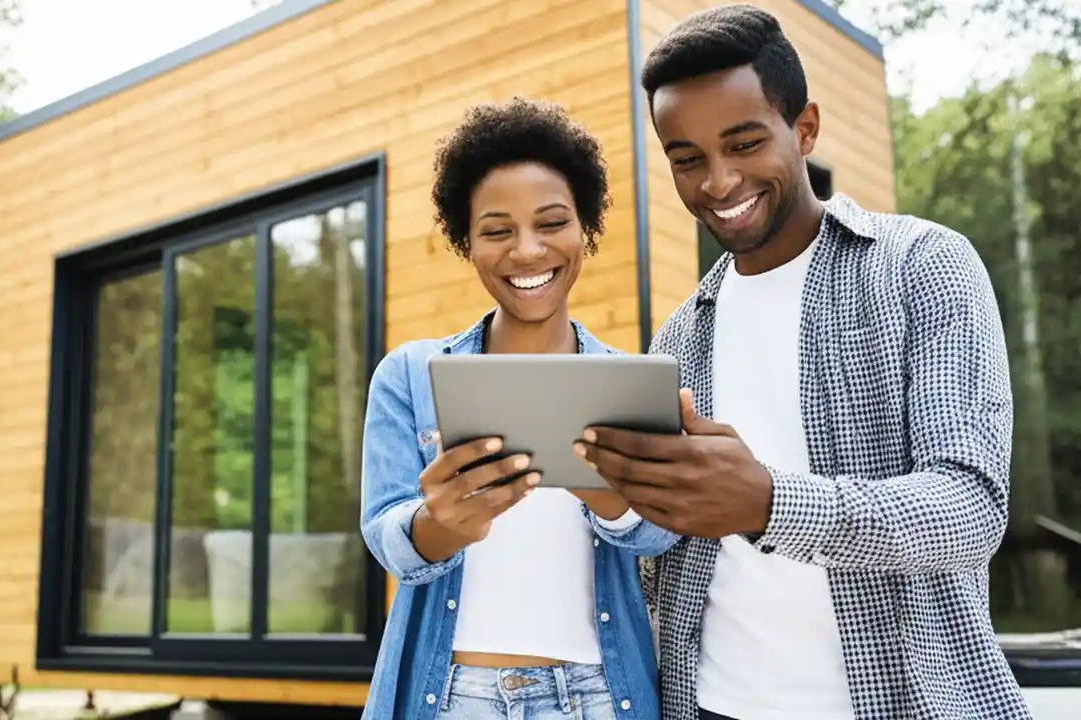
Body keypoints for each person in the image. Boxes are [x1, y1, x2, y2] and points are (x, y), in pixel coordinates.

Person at [572, 5, 1032, 720]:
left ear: (805, 127)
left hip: (901, 705)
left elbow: (970, 509)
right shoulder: (676, 340)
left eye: (744, 143)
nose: (718, 182)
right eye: (686, 159)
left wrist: (768, 502)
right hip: (710, 706)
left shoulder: (923, 267)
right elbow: (666, 555)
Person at [359, 97, 679, 720]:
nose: (527, 251)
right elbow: (389, 540)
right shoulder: (410, 375)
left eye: (552, 222)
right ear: (467, 243)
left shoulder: (630, 383)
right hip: (453, 697)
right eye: (497, 230)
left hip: (598, 695)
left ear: (585, 225)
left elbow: (659, 537)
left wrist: (609, 494)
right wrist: (441, 525)